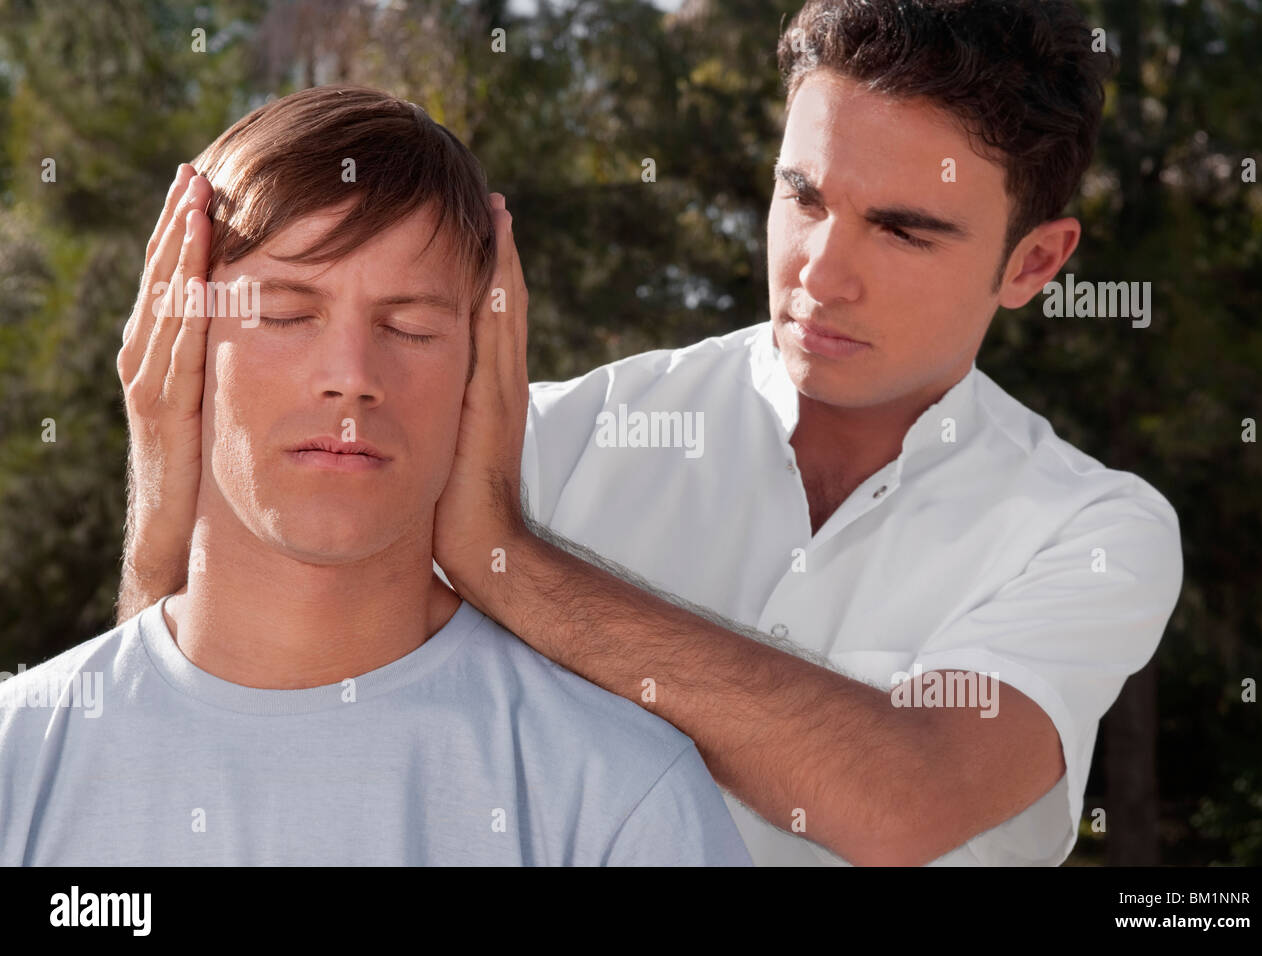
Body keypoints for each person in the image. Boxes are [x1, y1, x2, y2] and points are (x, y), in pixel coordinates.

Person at [116, 0, 1183, 866]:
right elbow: (222, 725)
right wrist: (169, 477)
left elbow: (906, 796)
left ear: (1035, 263)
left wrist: (502, 557)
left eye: (902, 228)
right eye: (801, 197)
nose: (819, 269)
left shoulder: (1089, 528)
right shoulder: (557, 433)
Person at [0, 86, 752, 867]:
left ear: (482, 367)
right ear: (175, 340)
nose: (352, 376)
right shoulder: (18, 767)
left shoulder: (617, 796)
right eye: (287, 313)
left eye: (410, 326)